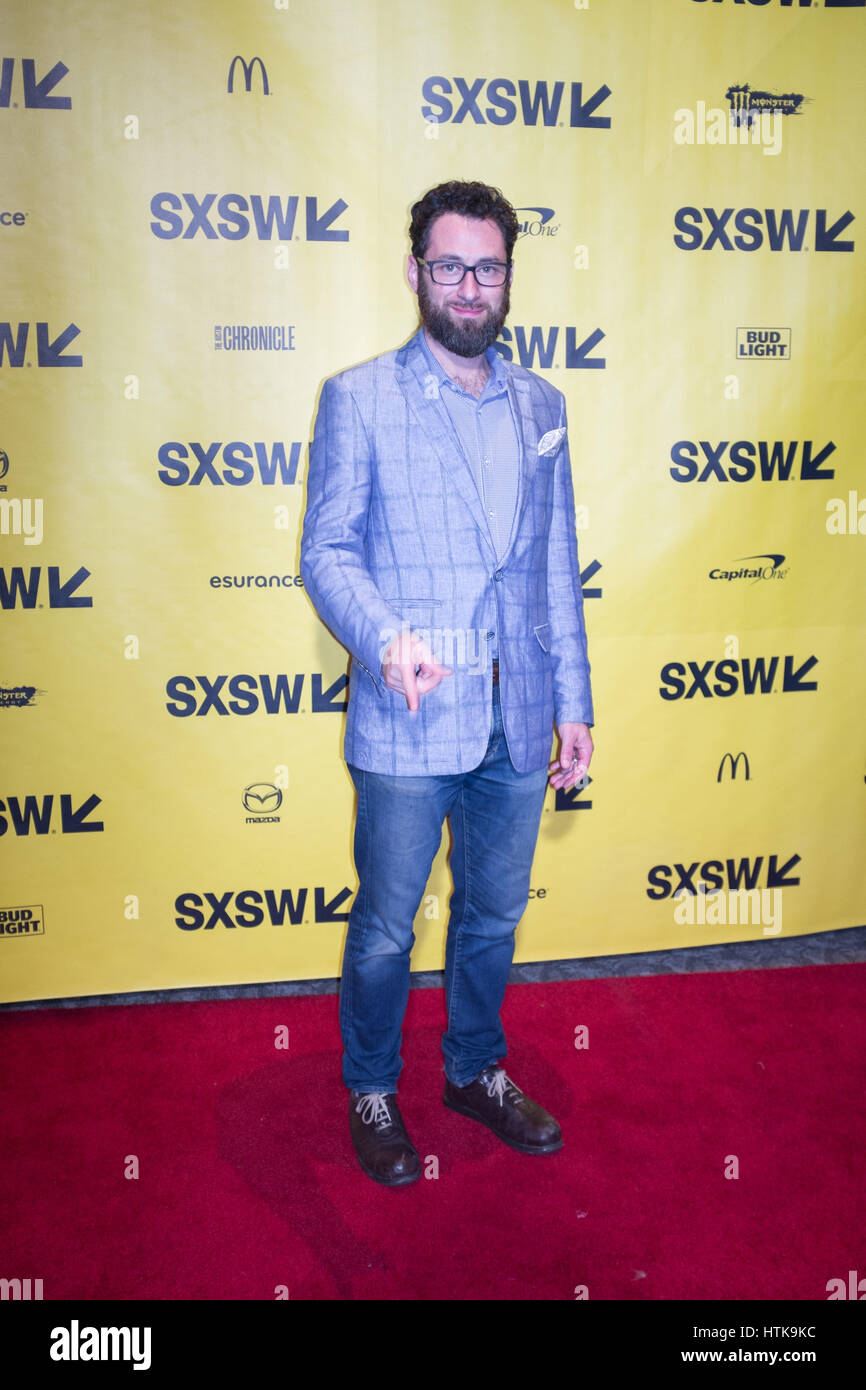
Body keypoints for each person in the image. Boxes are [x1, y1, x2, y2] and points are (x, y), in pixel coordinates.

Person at [300, 179, 594, 1186]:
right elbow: (327, 552)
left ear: (508, 275)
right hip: (406, 717)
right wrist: (384, 641)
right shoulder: (358, 397)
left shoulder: (543, 405)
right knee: (385, 925)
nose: (468, 286)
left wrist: (571, 706)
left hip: (515, 720)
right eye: (448, 264)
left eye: (487, 266)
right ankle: (371, 1086)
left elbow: (553, 566)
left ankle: (472, 1069)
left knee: (492, 916)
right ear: (415, 270)